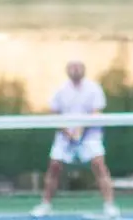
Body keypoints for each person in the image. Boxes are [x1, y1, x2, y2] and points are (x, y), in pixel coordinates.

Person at [32, 60, 119, 219]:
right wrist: (68, 132)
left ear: (84, 70)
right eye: (72, 67)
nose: (75, 70)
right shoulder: (60, 90)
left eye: (78, 67)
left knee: (99, 165)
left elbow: (95, 112)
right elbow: (55, 115)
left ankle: (110, 205)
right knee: (54, 166)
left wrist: (81, 130)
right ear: (67, 70)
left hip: (90, 135)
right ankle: (45, 205)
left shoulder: (94, 88)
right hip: (65, 137)